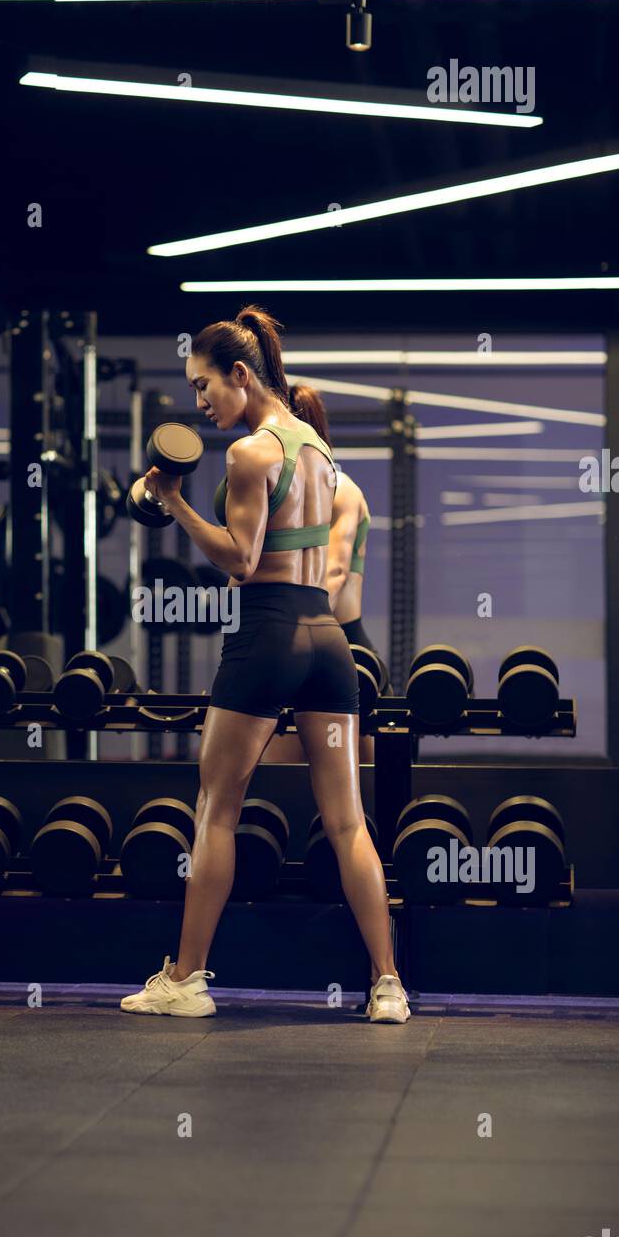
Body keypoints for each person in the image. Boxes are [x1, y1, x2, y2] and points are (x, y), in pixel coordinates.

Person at [120, 306, 408, 1024]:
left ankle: (185, 982)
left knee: (216, 809)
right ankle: (389, 985)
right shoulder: (318, 450)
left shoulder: (252, 454)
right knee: (348, 823)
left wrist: (175, 504)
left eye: (203, 385)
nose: (199, 401)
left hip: (268, 636)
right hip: (329, 645)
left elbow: (242, 561)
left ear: (240, 375)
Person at [262, 383, 385, 767]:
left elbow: (333, 572)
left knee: (368, 791)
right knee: (280, 785)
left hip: (345, 648)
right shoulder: (282, 492)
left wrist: (299, 632)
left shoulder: (340, 489)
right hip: (296, 641)